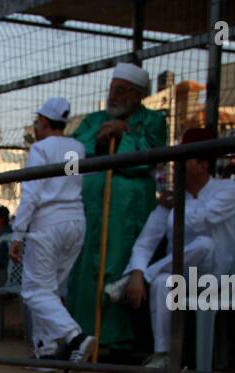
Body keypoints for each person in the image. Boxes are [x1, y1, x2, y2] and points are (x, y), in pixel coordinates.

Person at [105, 127, 235, 371]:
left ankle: (141, 277)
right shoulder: (170, 199)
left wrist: (175, 205)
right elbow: (146, 240)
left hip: (220, 275)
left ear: (202, 164)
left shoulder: (228, 190)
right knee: (161, 283)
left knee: (204, 244)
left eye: (184, 161)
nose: (176, 167)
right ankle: (163, 354)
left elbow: (202, 219)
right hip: (183, 273)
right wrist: (137, 271)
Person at [66, 63, 168, 357]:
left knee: (117, 268)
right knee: (86, 270)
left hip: (128, 212)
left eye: (121, 91)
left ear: (137, 96)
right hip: (92, 208)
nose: (114, 96)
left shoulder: (152, 120)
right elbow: (78, 147)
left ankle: (116, 340)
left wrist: (123, 136)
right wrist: (101, 137)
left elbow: (149, 155)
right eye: (112, 89)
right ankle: (83, 335)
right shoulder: (94, 119)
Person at [9, 96, 93, 371]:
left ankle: (74, 337)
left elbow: (31, 194)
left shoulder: (41, 148)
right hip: (75, 221)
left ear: (44, 121)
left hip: (48, 222)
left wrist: (18, 233)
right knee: (50, 290)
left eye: (37, 121)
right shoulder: (78, 147)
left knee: (35, 291)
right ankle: (46, 351)